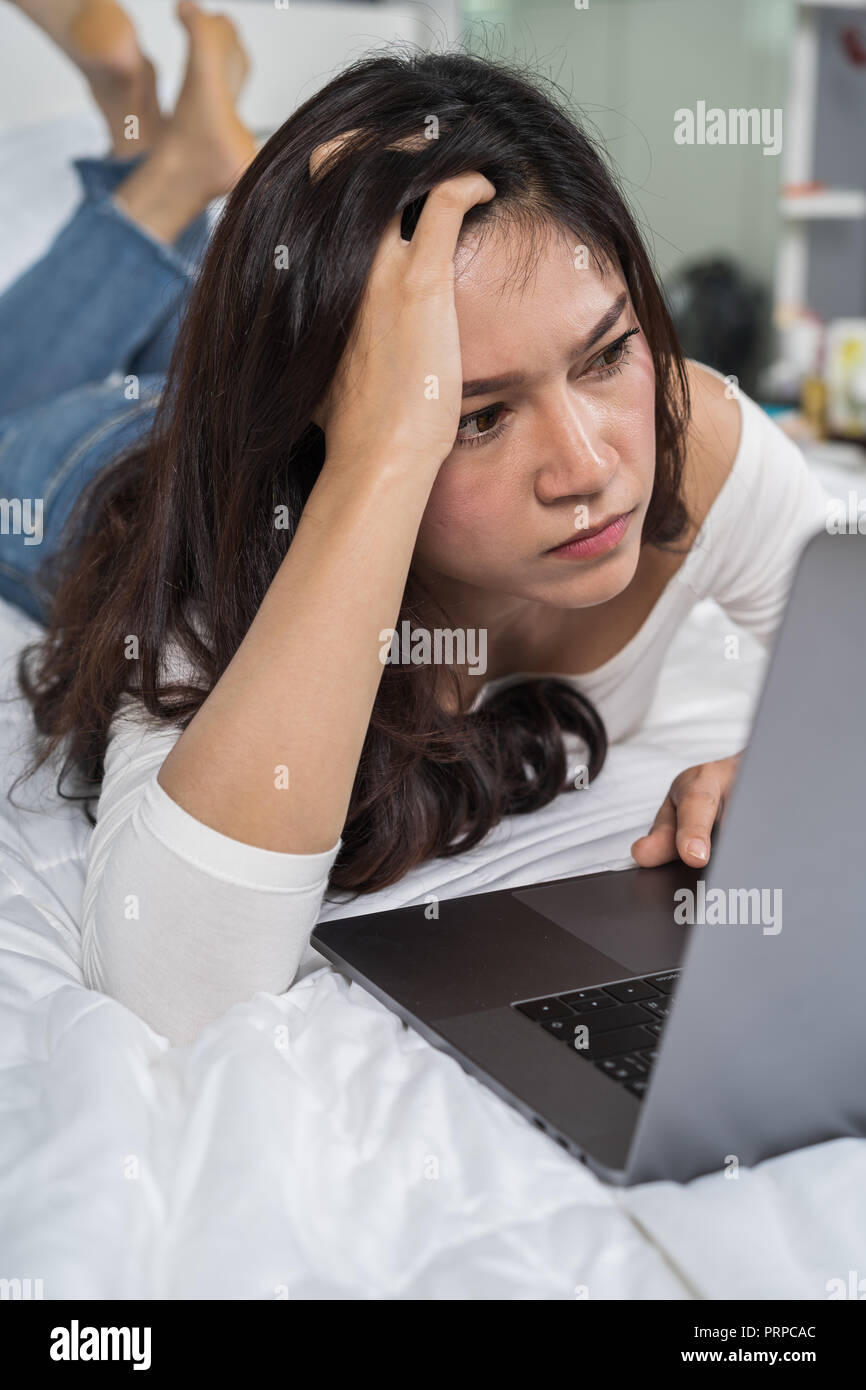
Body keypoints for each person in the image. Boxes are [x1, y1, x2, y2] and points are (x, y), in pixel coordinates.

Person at [0, 1, 830, 1045]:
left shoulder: (690, 436)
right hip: (84, 459)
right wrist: (385, 451)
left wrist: (803, 777)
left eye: (605, 354)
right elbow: (172, 980)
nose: (586, 467)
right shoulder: (243, 544)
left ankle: (165, 143)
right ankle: (166, 161)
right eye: (474, 414)